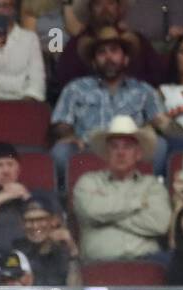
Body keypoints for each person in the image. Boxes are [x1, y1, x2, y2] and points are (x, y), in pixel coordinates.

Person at [50, 25, 165, 187]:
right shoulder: (75, 88)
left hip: (129, 151)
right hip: (87, 150)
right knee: (60, 151)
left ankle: (146, 188)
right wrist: (69, 135)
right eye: (102, 52)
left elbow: (162, 123)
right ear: (94, 62)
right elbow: (60, 123)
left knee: (160, 145)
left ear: (125, 58)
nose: (108, 57)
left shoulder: (144, 90)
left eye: (114, 50)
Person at [72, 115, 170, 262]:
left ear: (138, 153)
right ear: (107, 153)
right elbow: (90, 211)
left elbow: (159, 224)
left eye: (127, 146)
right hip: (98, 265)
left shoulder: (152, 185)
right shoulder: (88, 182)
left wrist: (104, 217)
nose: (121, 152)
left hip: (146, 263)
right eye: (114, 146)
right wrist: (138, 204)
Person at [0, 141, 62, 262]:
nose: (6, 171)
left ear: (18, 169)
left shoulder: (40, 195)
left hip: (34, 254)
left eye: (10, 164)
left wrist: (28, 198)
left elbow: (59, 233)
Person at [13, 197, 80, 287]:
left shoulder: (64, 252)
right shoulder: (15, 253)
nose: (35, 226)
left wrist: (72, 252)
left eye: (40, 219)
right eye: (29, 221)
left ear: (54, 220)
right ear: (22, 223)